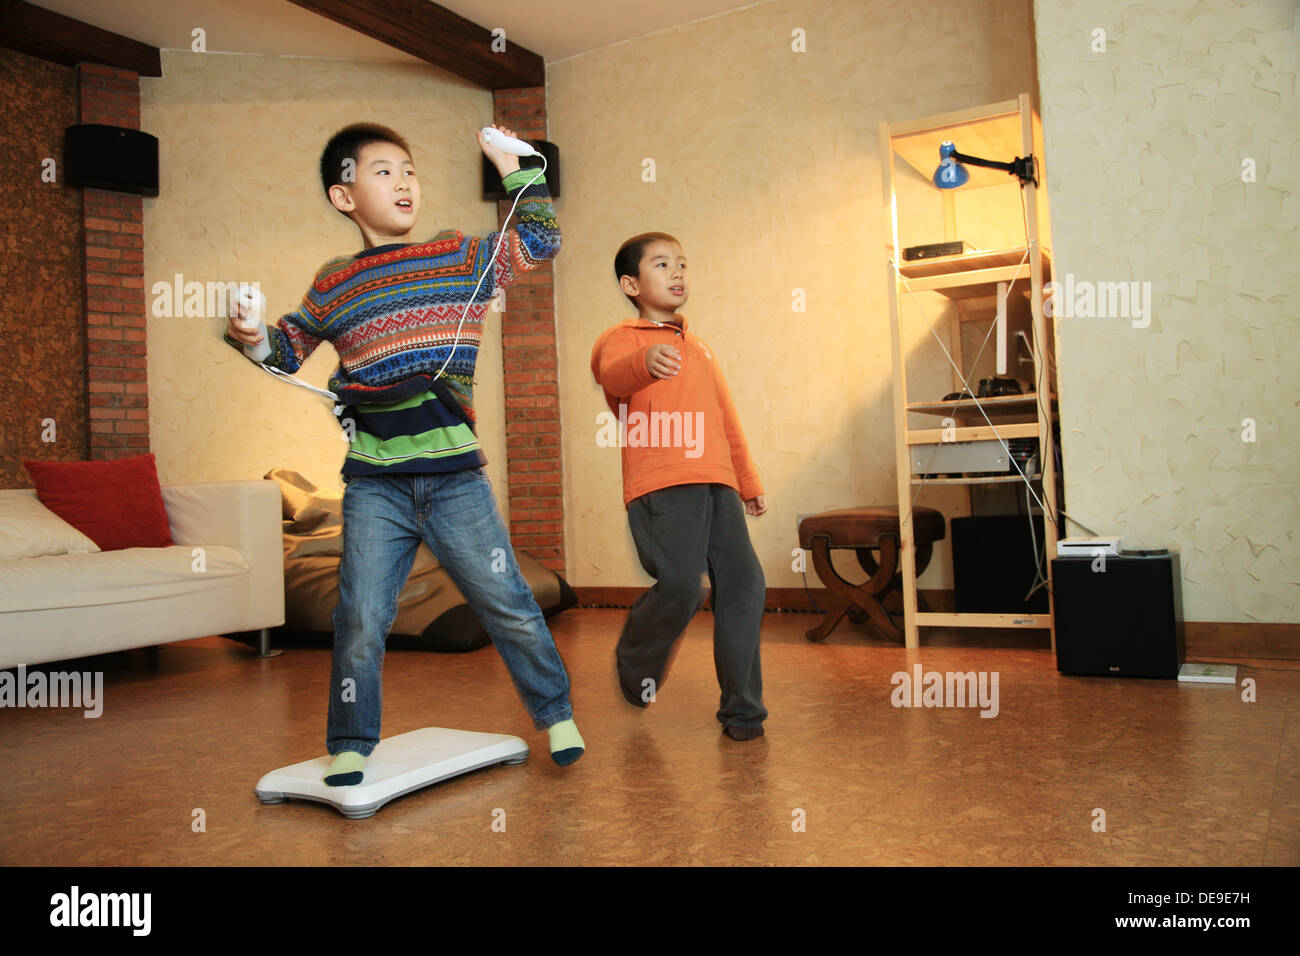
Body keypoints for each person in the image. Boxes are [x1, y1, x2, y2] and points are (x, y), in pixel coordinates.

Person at [225, 122, 584, 783]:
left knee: (504, 598)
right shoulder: (333, 283)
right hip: (375, 485)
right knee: (359, 613)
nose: (404, 182)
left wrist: (516, 168)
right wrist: (248, 336)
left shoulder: (456, 257)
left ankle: (556, 711)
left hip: (456, 481)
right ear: (344, 196)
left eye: (410, 170)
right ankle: (353, 739)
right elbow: (286, 352)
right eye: (384, 171)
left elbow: (541, 239)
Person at [590, 232, 768, 740]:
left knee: (745, 584)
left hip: (716, 482)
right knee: (684, 586)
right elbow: (613, 375)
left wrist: (747, 480)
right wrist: (643, 365)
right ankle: (635, 659)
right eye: (662, 264)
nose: (677, 273)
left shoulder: (700, 349)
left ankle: (743, 711)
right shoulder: (622, 338)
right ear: (631, 284)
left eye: (682, 265)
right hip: (663, 483)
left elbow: (726, 419)